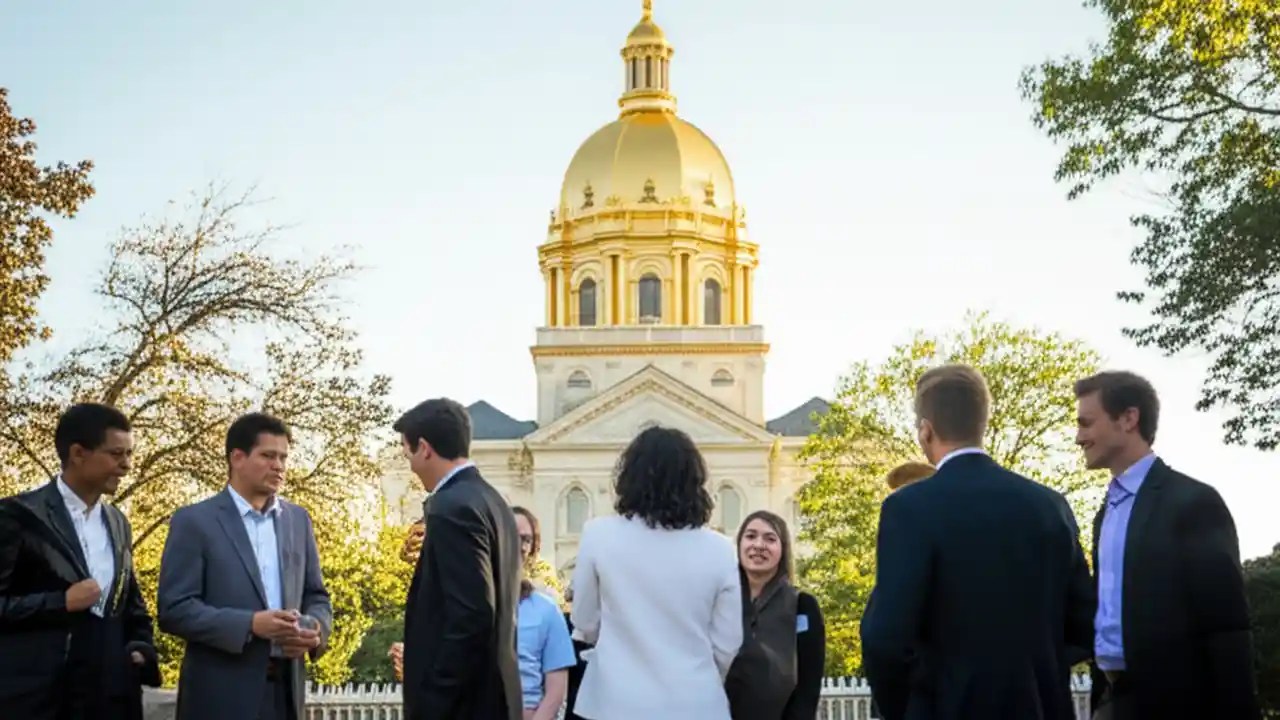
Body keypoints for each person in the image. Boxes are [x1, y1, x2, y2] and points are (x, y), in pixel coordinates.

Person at [860, 364, 1094, 720]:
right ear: (982, 424)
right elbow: (1085, 623)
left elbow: (884, 641)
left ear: (926, 431)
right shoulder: (1050, 505)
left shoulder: (908, 507)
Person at [1074, 371, 1260, 719]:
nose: (1078, 437)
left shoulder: (1193, 502)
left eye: (1086, 423)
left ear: (1129, 418)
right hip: (1113, 702)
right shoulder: (1105, 513)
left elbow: (1227, 624)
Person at [157, 412, 332, 720]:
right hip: (220, 697)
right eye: (268, 456)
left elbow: (316, 596)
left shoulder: (298, 520)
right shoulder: (194, 522)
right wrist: (249, 624)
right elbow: (174, 610)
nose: (278, 466)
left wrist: (316, 629)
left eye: (283, 457)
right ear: (237, 457)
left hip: (286, 693)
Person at [0, 403, 161, 720]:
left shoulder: (119, 523)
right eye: (116, 454)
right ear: (78, 453)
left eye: (130, 454)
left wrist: (141, 649)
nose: (127, 466)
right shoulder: (16, 516)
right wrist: (61, 602)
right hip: (38, 701)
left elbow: (131, 604)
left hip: (110, 699)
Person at [570, 426, 743, 720]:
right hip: (696, 702)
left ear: (629, 478)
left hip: (614, 702)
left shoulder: (598, 535)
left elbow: (584, 621)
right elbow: (728, 643)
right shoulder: (720, 549)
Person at [395, 398, 523, 720]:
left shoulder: (451, 507)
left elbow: (472, 614)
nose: (409, 464)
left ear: (424, 448)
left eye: (407, 452)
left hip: (462, 706)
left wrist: (433, 696)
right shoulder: (495, 503)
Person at [724, 510, 825, 720]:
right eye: (750, 536)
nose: (758, 545)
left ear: (783, 548)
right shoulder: (720, 602)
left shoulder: (802, 606)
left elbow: (808, 688)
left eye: (770, 539)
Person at [511, 506, 576, 720]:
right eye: (511, 535)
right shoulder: (473, 606)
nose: (519, 545)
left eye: (526, 539)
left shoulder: (546, 610)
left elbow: (556, 692)